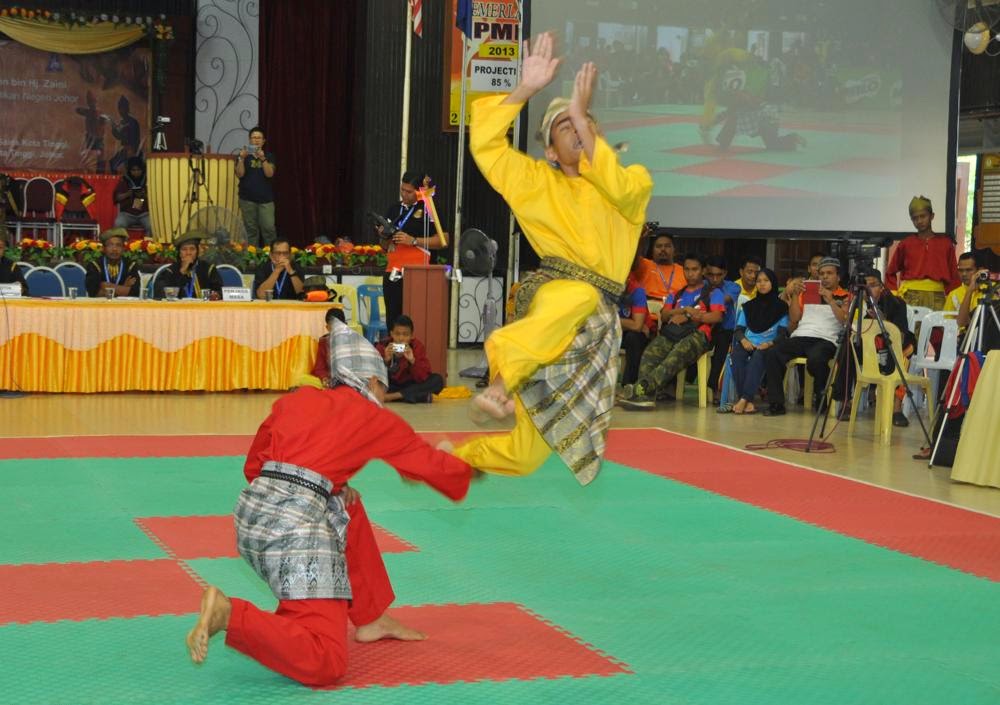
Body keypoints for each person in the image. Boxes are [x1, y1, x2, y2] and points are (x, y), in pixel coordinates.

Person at [186, 320, 474, 687]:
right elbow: (434, 469)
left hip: (250, 518)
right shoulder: (371, 416)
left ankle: (370, 618)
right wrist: (469, 460)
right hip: (296, 535)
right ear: (372, 383)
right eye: (383, 389)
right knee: (327, 662)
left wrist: (330, 487)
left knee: (349, 506)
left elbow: (254, 466)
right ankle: (230, 614)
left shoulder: (296, 401)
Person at [452, 33, 653, 485]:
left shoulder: (631, 181)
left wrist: (580, 117)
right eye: (566, 128)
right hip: (556, 296)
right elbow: (486, 146)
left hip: (594, 325)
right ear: (548, 150)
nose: (579, 132)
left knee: (527, 454)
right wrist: (524, 90)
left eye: (586, 126)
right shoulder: (536, 182)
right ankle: (500, 384)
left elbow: (620, 186)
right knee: (577, 295)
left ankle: (456, 459)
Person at [619, 253, 725, 410]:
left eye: (695, 269)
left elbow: (716, 317)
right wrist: (684, 311)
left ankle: (640, 388)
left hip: (698, 336)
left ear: (703, 271)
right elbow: (664, 314)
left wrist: (689, 316)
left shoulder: (713, 293)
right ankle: (644, 396)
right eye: (687, 269)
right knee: (650, 352)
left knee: (677, 354)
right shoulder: (676, 294)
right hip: (673, 333)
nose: (690, 273)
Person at [762, 257, 850, 416]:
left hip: (827, 339)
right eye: (822, 273)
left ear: (839, 276)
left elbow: (845, 320)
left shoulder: (845, 296)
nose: (824, 277)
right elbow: (795, 319)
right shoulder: (809, 291)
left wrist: (830, 300)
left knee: (816, 359)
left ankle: (820, 397)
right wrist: (796, 296)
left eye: (829, 273)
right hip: (802, 335)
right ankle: (776, 403)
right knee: (773, 353)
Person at [377, 173, 448, 327]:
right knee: (393, 318)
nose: (404, 194)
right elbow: (384, 246)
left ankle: (415, 351)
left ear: (418, 191)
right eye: (402, 190)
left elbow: (444, 241)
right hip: (394, 270)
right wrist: (383, 235)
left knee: (416, 317)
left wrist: (414, 241)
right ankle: (396, 350)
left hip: (419, 271)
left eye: (408, 192)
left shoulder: (429, 208)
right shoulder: (394, 208)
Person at [729, 268, 789, 414]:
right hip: (748, 343)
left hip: (767, 345)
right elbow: (738, 330)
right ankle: (748, 401)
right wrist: (744, 341)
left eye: (766, 281)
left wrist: (770, 343)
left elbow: (783, 334)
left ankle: (743, 399)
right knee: (737, 354)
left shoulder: (781, 307)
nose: (762, 284)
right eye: (759, 281)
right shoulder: (749, 307)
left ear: (773, 283)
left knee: (759, 356)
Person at [884, 196, 959, 310]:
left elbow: (953, 275)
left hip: (938, 298)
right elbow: (890, 272)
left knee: (937, 327)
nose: (919, 221)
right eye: (915, 218)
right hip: (910, 297)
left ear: (932, 216)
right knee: (910, 328)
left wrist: (954, 300)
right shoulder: (906, 244)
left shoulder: (946, 244)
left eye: (923, 216)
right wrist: (894, 295)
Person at [375, 315, 444, 403]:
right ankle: (416, 396)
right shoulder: (383, 346)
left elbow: (423, 377)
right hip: (390, 385)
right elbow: (375, 375)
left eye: (405, 335)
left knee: (437, 380)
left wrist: (412, 361)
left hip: (410, 384)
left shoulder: (417, 346)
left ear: (411, 336)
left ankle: (391, 397)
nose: (401, 338)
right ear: (391, 334)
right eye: (397, 334)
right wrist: (386, 361)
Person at [705, 255, 742, 399]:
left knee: (722, 342)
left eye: (718, 275)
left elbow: (721, 300)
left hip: (725, 329)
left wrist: (707, 295)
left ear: (725, 273)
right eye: (711, 275)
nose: (714, 279)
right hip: (705, 327)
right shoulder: (702, 285)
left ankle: (713, 388)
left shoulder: (733, 287)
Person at [236, 126, 276, 247]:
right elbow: (240, 174)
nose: (256, 140)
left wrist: (263, 158)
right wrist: (241, 159)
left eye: (259, 138)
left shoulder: (269, 156)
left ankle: (271, 255)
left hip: (266, 200)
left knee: (269, 228)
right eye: (254, 137)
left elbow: (270, 174)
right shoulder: (243, 156)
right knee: (250, 231)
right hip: (247, 199)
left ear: (263, 141)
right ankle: (252, 258)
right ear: (249, 140)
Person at [619, 247, 653, 385]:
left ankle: (629, 386)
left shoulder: (637, 290)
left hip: (637, 335)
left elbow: (637, 326)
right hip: (615, 332)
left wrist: (610, 319)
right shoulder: (605, 288)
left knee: (634, 338)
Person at [156, 232, 223, 299]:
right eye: (184, 249)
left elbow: (221, 291)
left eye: (192, 249)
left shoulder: (208, 269)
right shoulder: (170, 271)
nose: (188, 253)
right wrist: (181, 272)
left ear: (197, 252)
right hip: (179, 308)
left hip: (204, 308)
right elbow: (161, 295)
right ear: (179, 253)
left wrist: (217, 295)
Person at [85, 227, 140, 297]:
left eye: (118, 245)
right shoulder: (95, 265)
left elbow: (135, 293)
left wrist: (106, 286)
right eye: (110, 245)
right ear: (104, 248)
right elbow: (93, 293)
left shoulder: (130, 266)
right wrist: (123, 287)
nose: (114, 249)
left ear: (123, 249)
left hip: (124, 306)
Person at [636, 229, 685, 301]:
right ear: (652, 250)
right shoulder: (644, 265)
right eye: (658, 246)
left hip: (676, 309)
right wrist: (641, 240)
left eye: (667, 246)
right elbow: (633, 256)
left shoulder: (684, 271)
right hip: (648, 309)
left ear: (675, 250)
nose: (663, 249)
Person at [306, 307, 347, 388]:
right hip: (330, 381)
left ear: (345, 325)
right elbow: (319, 368)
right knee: (302, 380)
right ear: (327, 328)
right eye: (332, 327)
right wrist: (324, 378)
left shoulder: (353, 340)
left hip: (348, 382)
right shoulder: (324, 342)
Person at [945, 252, 984, 330]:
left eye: (969, 270)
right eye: (960, 270)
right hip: (962, 339)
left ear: (980, 270)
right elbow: (946, 325)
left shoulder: (991, 290)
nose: (964, 274)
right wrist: (969, 290)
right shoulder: (953, 294)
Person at [112, 157, 151, 234]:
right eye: (133, 170)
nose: (136, 172)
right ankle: (123, 244)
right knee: (118, 224)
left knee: (151, 226)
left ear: (142, 170)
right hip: (127, 213)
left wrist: (144, 195)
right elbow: (117, 198)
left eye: (138, 170)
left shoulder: (148, 179)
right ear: (129, 170)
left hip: (144, 213)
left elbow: (155, 198)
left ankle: (148, 245)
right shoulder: (124, 180)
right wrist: (128, 194)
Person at [109, 94, 141, 174]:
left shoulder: (132, 122)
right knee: (113, 163)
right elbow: (119, 136)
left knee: (125, 167)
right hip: (125, 149)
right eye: (119, 108)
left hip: (131, 149)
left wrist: (132, 150)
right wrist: (113, 128)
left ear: (126, 109)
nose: (120, 111)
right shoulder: (122, 122)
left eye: (122, 108)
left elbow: (134, 137)